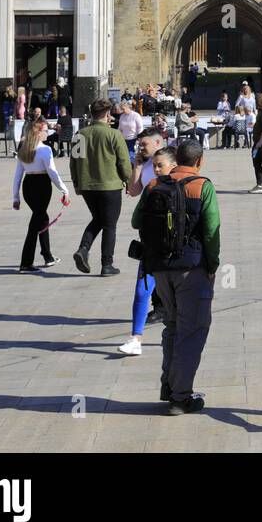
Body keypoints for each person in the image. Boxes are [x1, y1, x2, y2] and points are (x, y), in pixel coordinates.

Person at [130, 137, 221, 415]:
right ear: (199, 161)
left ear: (177, 158)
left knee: (171, 325)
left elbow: (136, 221)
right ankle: (181, 397)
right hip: (191, 269)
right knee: (192, 330)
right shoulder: (202, 185)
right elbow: (211, 231)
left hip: (160, 269)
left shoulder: (155, 185)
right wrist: (213, 265)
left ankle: (169, 386)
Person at [118, 129, 171, 357]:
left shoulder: (173, 164)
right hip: (150, 236)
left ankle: (175, 332)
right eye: (139, 144)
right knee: (142, 289)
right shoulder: (144, 165)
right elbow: (132, 191)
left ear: (159, 142)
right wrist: (137, 167)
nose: (141, 148)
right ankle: (135, 338)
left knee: (173, 289)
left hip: (173, 239)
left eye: (145, 144)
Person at [70, 99, 133, 276]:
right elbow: (123, 162)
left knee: (98, 218)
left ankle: (83, 249)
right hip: (110, 185)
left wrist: (76, 183)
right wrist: (128, 181)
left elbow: (73, 162)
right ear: (107, 115)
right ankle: (107, 264)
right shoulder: (114, 135)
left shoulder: (80, 135)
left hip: (87, 186)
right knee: (109, 225)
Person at [12, 118, 69, 272]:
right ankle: (26, 262)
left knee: (42, 218)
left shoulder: (24, 148)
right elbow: (52, 172)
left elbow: (18, 175)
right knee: (36, 222)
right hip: (42, 185)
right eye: (45, 130)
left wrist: (16, 197)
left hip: (28, 185)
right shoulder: (45, 149)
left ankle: (47, 255)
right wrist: (64, 189)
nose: (47, 133)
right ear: (37, 132)